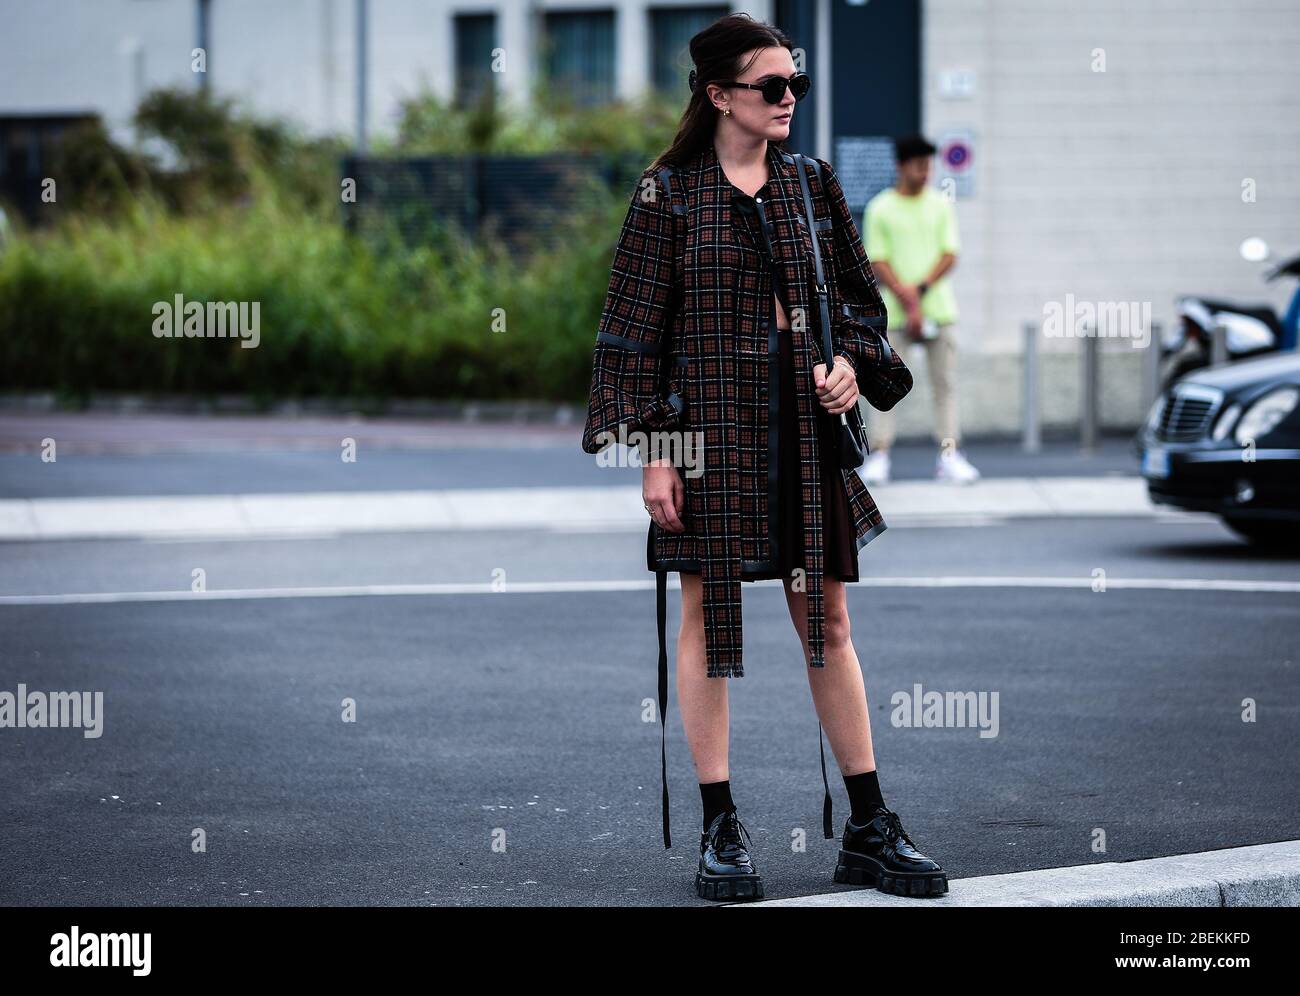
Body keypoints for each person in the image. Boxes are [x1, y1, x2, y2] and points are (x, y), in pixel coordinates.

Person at [579, 12, 947, 902]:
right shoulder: (667, 193)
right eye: (771, 86)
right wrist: (656, 451)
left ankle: (868, 825)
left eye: (796, 86)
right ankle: (722, 830)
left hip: (802, 430)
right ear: (717, 95)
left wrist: (850, 367)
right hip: (703, 433)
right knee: (706, 620)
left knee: (826, 621)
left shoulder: (812, 185)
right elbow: (633, 335)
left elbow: (862, 307)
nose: (789, 100)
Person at [861, 133, 980, 485]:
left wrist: (920, 290)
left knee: (945, 386)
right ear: (901, 166)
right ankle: (879, 455)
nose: (925, 171)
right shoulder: (881, 207)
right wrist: (908, 298)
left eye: (929, 164)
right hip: (894, 315)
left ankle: (949, 455)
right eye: (918, 164)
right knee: (884, 387)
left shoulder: (940, 205)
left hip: (939, 313)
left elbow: (949, 254)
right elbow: (877, 259)